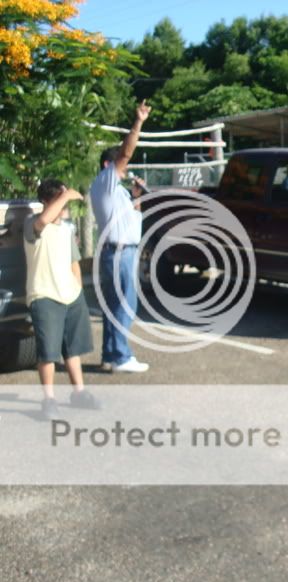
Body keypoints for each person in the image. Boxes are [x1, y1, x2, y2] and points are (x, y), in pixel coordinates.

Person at [24, 180, 100, 420]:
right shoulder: (33, 224)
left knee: (72, 348)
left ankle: (79, 392)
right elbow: (43, 221)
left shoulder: (66, 229)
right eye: (60, 198)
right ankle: (49, 400)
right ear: (48, 200)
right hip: (44, 295)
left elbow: (73, 262)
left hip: (70, 296)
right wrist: (66, 197)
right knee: (48, 352)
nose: (65, 204)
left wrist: (77, 288)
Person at [90, 99, 151, 374]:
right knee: (124, 306)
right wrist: (138, 122)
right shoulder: (105, 181)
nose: (125, 169)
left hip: (123, 251)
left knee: (115, 306)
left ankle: (110, 355)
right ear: (108, 164)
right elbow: (125, 153)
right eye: (120, 165)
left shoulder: (119, 192)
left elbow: (131, 220)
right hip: (117, 253)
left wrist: (136, 197)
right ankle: (120, 356)